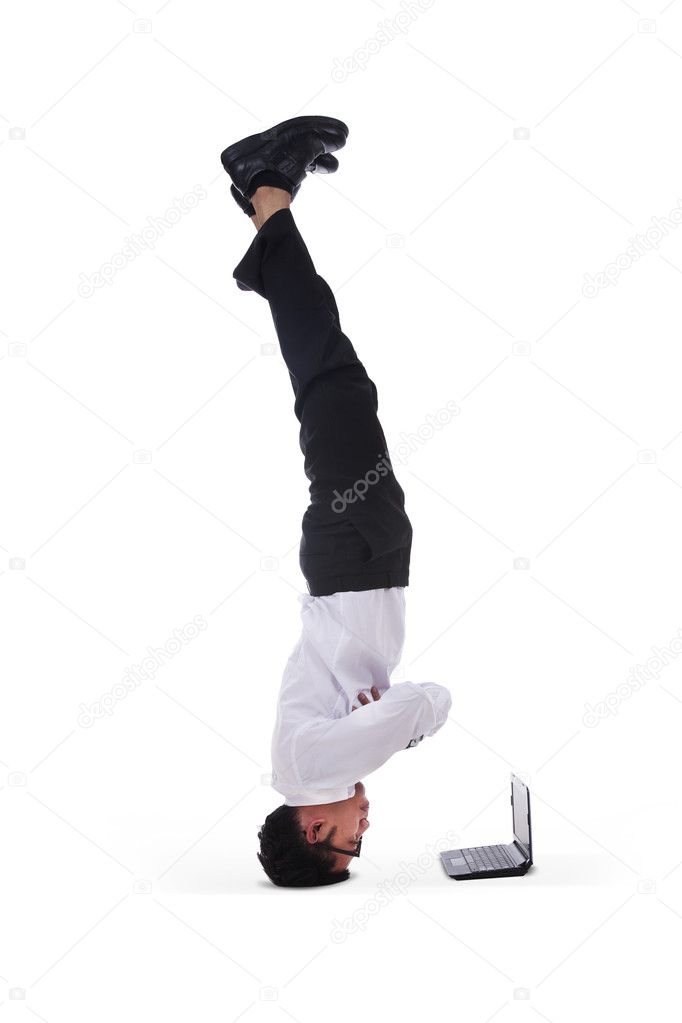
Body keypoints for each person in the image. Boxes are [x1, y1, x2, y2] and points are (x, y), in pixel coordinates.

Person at [220, 117, 452, 887]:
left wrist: (402, 726)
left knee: (329, 376)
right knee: (332, 379)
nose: (364, 829)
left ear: (315, 828)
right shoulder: (305, 760)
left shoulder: (317, 766)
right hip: (358, 554)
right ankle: (265, 209)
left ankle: (267, 187)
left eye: (349, 844)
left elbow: (428, 699)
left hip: (357, 551)